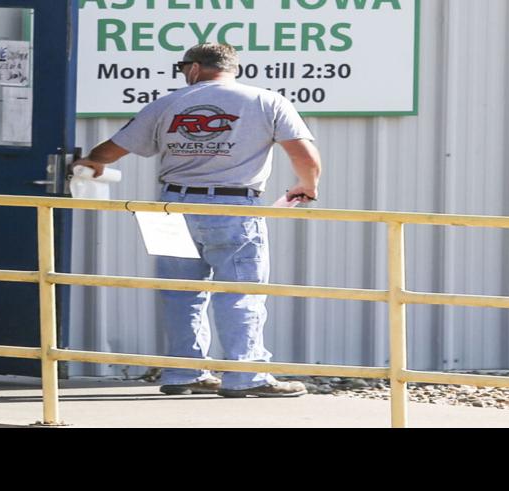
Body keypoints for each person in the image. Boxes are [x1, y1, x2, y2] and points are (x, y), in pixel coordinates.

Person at [72, 44, 322, 398]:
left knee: (180, 294)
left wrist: (93, 162)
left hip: (171, 207)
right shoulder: (267, 101)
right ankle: (245, 376)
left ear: (193, 68)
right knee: (240, 293)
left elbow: (112, 149)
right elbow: (304, 155)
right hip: (232, 207)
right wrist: (306, 187)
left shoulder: (168, 103)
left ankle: (182, 373)